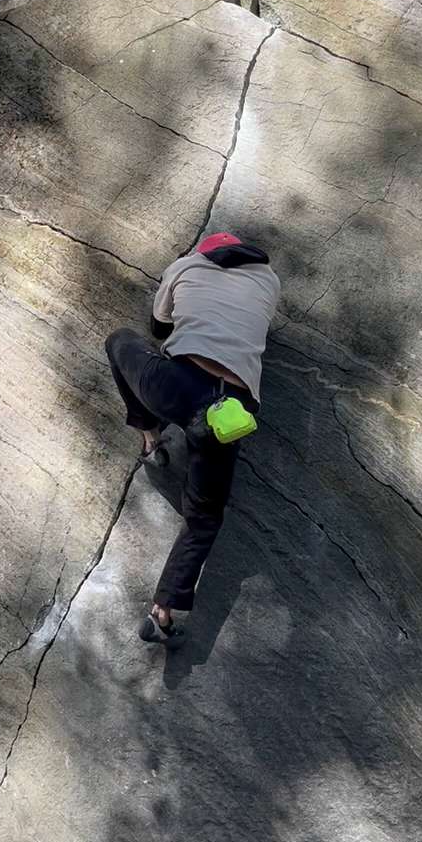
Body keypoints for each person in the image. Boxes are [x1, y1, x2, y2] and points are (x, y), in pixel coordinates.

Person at [105, 231, 280, 647]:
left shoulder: (184, 266)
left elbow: (159, 326)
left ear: (205, 252)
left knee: (119, 342)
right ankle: (162, 612)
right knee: (203, 517)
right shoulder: (269, 279)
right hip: (230, 411)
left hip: (175, 385)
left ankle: (149, 435)